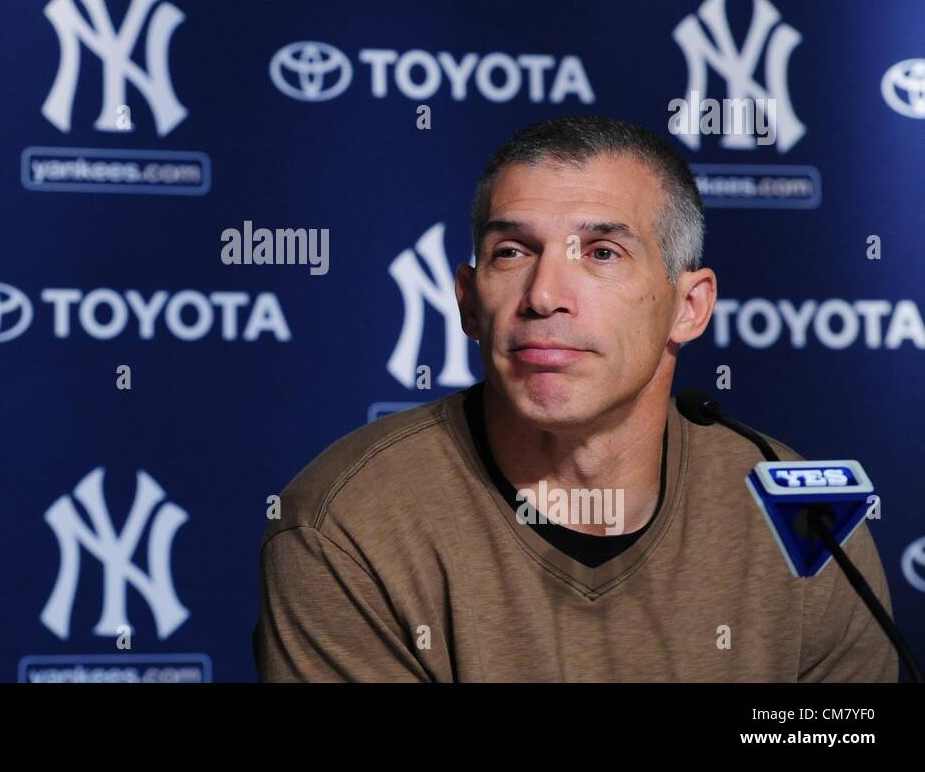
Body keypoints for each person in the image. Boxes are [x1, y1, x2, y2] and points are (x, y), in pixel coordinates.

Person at [254, 115, 897, 682]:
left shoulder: (804, 519)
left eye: (602, 253)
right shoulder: (349, 524)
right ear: (469, 302)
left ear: (689, 306)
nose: (543, 296)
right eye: (512, 252)